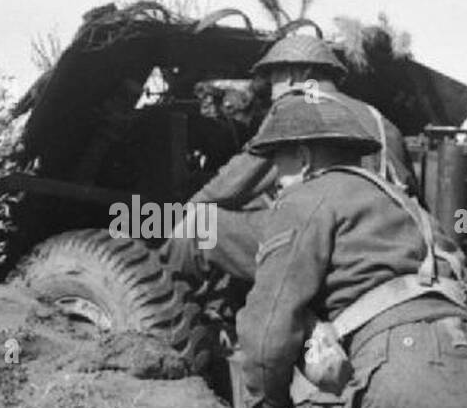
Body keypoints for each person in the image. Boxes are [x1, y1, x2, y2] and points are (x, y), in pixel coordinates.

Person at [236, 89, 467, 408]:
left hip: (405, 402)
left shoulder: (305, 200)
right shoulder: (409, 204)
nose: (274, 177)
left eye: (278, 162)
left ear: (305, 157)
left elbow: (267, 335)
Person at [167, 24, 416, 282]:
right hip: (384, 240)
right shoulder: (380, 119)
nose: (270, 87)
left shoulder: (294, 108)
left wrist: (188, 210)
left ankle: (161, 304)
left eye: (272, 77)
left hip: (324, 240)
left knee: (200, 226)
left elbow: (235, 182)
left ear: (294, 74)